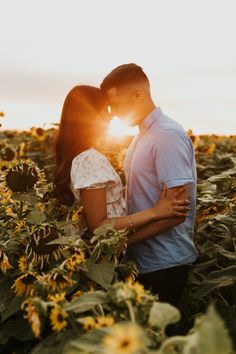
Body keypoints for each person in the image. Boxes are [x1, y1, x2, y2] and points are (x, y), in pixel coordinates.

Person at [100, 64, 198, 308]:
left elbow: (175, 212)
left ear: (138, 94)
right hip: (144, 261)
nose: (112, 113)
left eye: (117, 104)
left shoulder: (167, 136)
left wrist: (123, 242)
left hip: (165, 262)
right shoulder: (141, 135)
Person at [53, 85, 189, 258]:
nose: (110, 116)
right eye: (104, 109)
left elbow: (104, 202)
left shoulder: (81, 156)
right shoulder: (89, 159)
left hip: (99, 254)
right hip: (103, 257)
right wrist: (156, 212)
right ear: (89, 115)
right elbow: (99, 225)